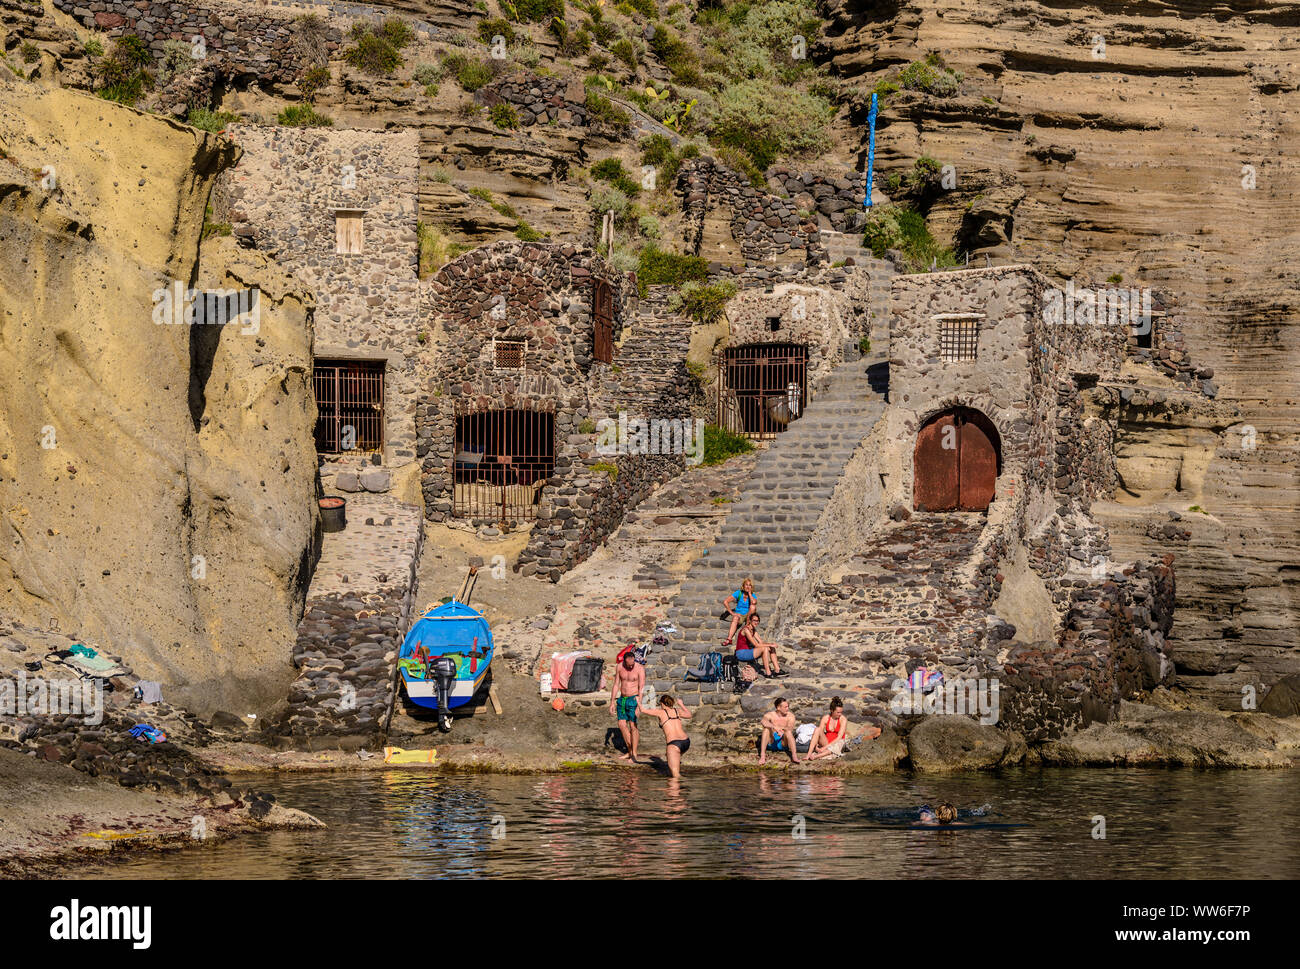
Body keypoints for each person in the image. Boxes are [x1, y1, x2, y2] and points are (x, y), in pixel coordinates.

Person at [641, 694, 693, 778]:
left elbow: (642, 710)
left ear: (662, 703)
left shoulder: (660, 712)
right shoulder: (677, 710)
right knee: (672, 763)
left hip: (674, 744)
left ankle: (682, 787)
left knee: (676, 776)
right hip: (686, 742)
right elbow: (689, 715)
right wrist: (681, 704)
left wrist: (637, 700)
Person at [608, 645, 645, 762]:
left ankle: (634, 753)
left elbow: (642, 687)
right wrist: (612, 702)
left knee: (633, 726)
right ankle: (629, 751)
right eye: (629, 663)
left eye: (632, 663)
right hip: (622, 699)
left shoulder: (639, 668)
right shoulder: (619, 667)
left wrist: (639, 705)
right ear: (624, 661)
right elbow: (615, 685)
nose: (631, 665)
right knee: (621, 725)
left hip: (634, 699)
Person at [805, 696, 870, 761]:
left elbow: (839, 737)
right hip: (826, 742)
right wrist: (816, 746)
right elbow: (819, 734)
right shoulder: (826, 718)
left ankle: (816, 756)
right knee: (817, 729)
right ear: (832, 710)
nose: (840, 714)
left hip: (837, 743)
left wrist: (824, 748)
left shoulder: (843, 719)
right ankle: (808, 755)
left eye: (841, 712)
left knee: (839, 743)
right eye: (838, 712)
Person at [735, 613, 786, 677]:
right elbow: (756, 645)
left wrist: (771, 645)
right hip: (741, 653)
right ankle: (768, 673)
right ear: (750, 621)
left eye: (757, 621)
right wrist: (769, 644)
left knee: (771, 648)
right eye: (754, 620)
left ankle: (777, 670)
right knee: (764, 648)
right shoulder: (746, 630)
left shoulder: (753, 630)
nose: (756, 622)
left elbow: (761, 642)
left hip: (749, 651)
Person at [759, 696, 800, 765]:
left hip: (783, 742)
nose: (788, 709)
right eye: (785, 707)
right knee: (766, 729)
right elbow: (763, 722)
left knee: (788, 732)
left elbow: (790, 728)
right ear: (778, 708)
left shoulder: (790, 716)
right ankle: (762, 756)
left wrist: (782, 730)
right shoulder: (770, 715)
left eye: (788, 706)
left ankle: (794, 756)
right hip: (771, 741)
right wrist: (775, 727)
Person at [721, 578, 757, 647]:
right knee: (735, 618)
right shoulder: (739, 593)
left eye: (750, 585)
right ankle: (729, 639)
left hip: (748, 615)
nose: (748, 587)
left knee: (753, 607)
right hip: (739, 614)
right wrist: (732, 613)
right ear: (743, 586)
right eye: (746, 585)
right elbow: (725, 602)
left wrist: (749, 593)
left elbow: (754, 602)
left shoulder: (752, 595)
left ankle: (747, 624)